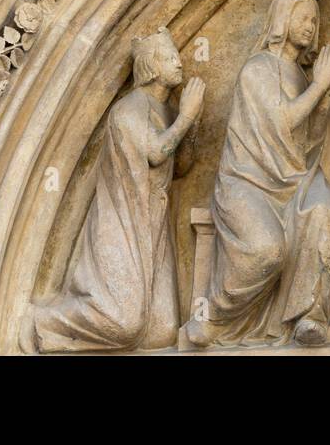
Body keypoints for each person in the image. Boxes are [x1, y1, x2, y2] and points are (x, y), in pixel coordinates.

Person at [185, 0, 330, 347]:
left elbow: (306, 144)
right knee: (266, 250)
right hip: (248, 182)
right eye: (304, 18)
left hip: (293, 179)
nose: (311, 26)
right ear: (282, 20)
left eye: (315, 21)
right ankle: (213, 314)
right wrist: (318, 88)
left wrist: (322, 97)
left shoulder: (300, 75)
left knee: (325, 207)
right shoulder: (256, 69)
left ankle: (311, 314)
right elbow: (281, 121)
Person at [29, 29, 203, 352]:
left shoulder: (165, 110)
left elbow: (180, 167)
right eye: (170, 57)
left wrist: (190, 127)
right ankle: (46, 324)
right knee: (125, 323)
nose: (179, 63)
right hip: (123, 222)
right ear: (151, 67)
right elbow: (155, 152)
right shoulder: (130, 108)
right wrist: (187, 117)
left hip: (153, 225)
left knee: (163, 332)